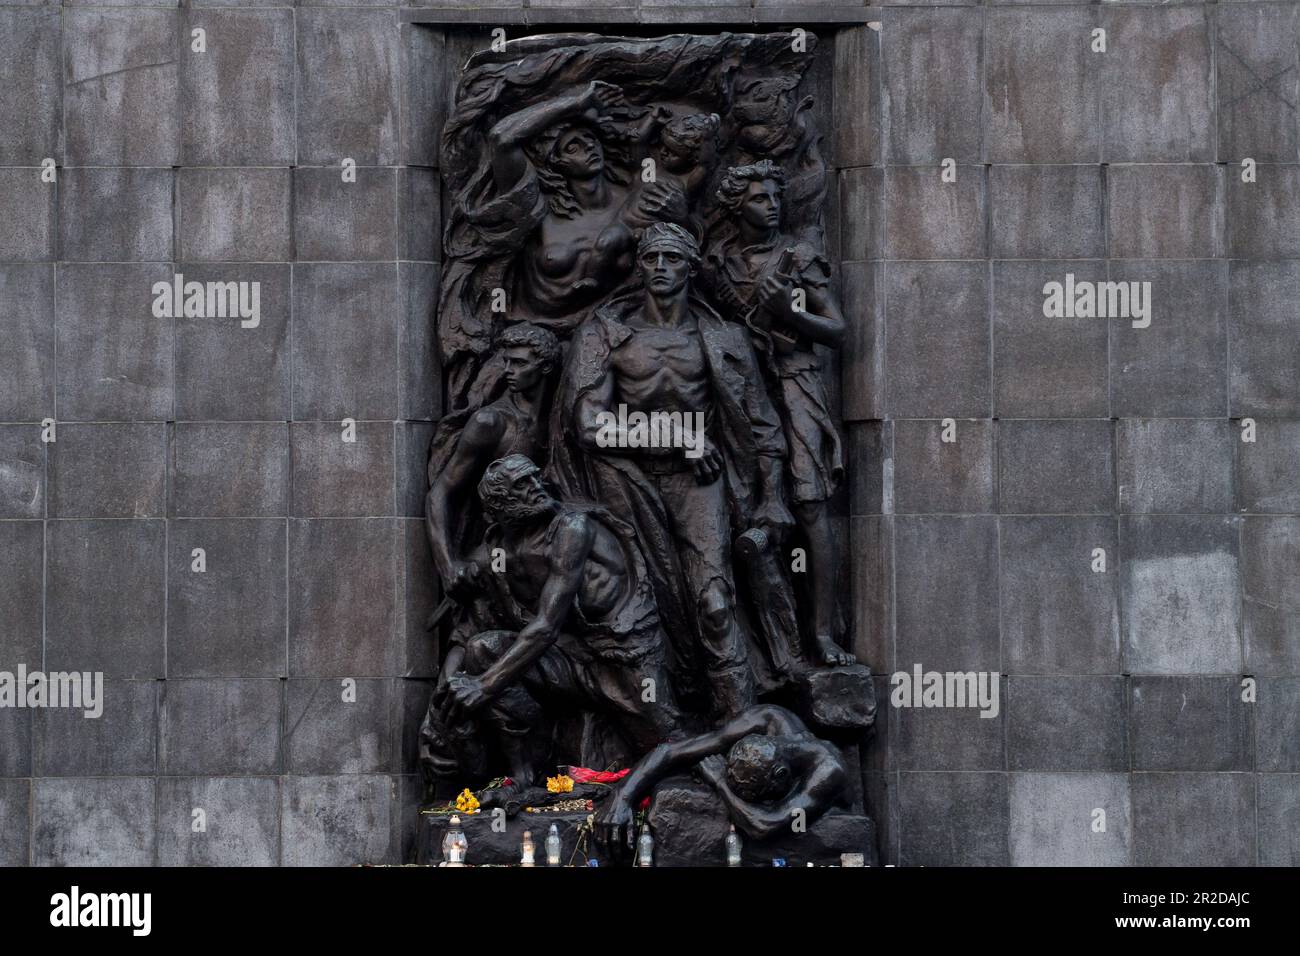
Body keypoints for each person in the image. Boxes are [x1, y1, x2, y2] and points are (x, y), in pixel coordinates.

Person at [552, 222, 795, 719]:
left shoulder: (725, 338)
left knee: (714, 602)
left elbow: (763, 427)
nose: (661, 268)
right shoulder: (605, 333)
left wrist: (771, 498)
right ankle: (664, 730)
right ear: (638, 267)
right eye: (651, 258)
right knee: (643, 606)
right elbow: (587, 424)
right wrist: (677, 436)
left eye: (672, 258)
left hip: (700, 481)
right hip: (625, 482)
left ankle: (742, 726)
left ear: (692, 266)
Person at [434, 455, 683, 793]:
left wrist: (484, 687)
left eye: (535, 478)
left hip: (621, 657)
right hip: (569, 658)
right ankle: (523, 776)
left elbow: (546, 626)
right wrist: (448, 686)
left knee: (668, 743)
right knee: (483, 649)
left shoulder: (571, 528)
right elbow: (467, 625)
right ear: (499, 506)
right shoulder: (497, 549)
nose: (537, 488)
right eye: (522, 486)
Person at [704, 160, 855, 667]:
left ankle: (823, 633)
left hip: (794, 384)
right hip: (737, 391)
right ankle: (751, 641)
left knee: (811, 504)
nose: (771, 206)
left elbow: (836, 329)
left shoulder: (796, 256)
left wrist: (792, 315)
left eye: (775, 196)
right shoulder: (718, 262)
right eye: (758, 198)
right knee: (736, 506)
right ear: (735, 207)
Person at [595, 703, 848, 855]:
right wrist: (623, 796)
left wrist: (720, 783)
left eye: (752, 797)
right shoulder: (766, 719)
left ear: (779, 776)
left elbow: (764, 825)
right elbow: (672, 751)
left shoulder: (829, 770)